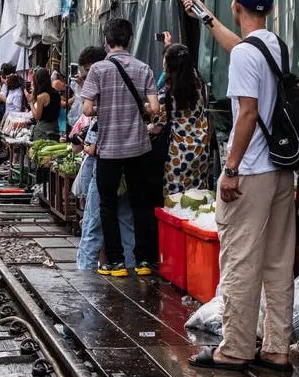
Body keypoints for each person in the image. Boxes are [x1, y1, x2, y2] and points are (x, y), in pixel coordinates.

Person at [185, 0, 295, 373]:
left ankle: (235, 349)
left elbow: (247, 113)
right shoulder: (275, 47)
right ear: (271, 8)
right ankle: (277, 349)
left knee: (240, 263)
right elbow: (243, 50)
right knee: (279, 262)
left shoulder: (247, 56)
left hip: (250, 174)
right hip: (283, 172)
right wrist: (208, 20)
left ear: (238, 6)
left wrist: (229, 169)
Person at [82, 18, 159, 277]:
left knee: (107, 204)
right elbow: (154, 109)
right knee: (141, 203)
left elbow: (87, 109)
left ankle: (114, 262)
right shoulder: (143, 68)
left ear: (106, 40)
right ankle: (144, 260)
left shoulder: (98, 70)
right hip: (139, 147)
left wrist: (103, 107)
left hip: (108, 149)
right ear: (130, 40)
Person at [73, 46, 136, 272]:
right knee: (125, 221)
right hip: (128, 160)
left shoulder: (101, 86)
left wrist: (92, 146)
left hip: (106, 162)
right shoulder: (136, 73)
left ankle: (85, 271)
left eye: (89, 70)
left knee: (92, 223)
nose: (88, 75)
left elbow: (89, 113)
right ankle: (130, 270)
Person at [149, 43, 211, 198]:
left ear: (170, 65)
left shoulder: (167, 93)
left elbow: (158, 124)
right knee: (198, 196)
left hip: (178, 153)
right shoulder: (200, 85)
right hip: (201, 149)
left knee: (175, 200)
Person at [25, 67, 61, 141]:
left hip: (44, 129)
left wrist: (30, 103)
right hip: (55, 126)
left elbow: (37, 117)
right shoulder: (56, 92)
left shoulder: (41, 97)